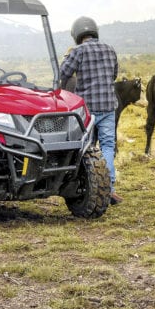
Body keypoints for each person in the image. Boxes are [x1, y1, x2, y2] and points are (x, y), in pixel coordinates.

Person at [58, 16, 122, 205]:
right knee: (108, 146)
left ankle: (86, 188)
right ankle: (109, 187)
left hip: (88, 109)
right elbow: (114, 75)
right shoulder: (110, 49)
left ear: (77, 34)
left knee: (86, 148)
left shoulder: (77, 51)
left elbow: (63, 74)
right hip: (109, 106)